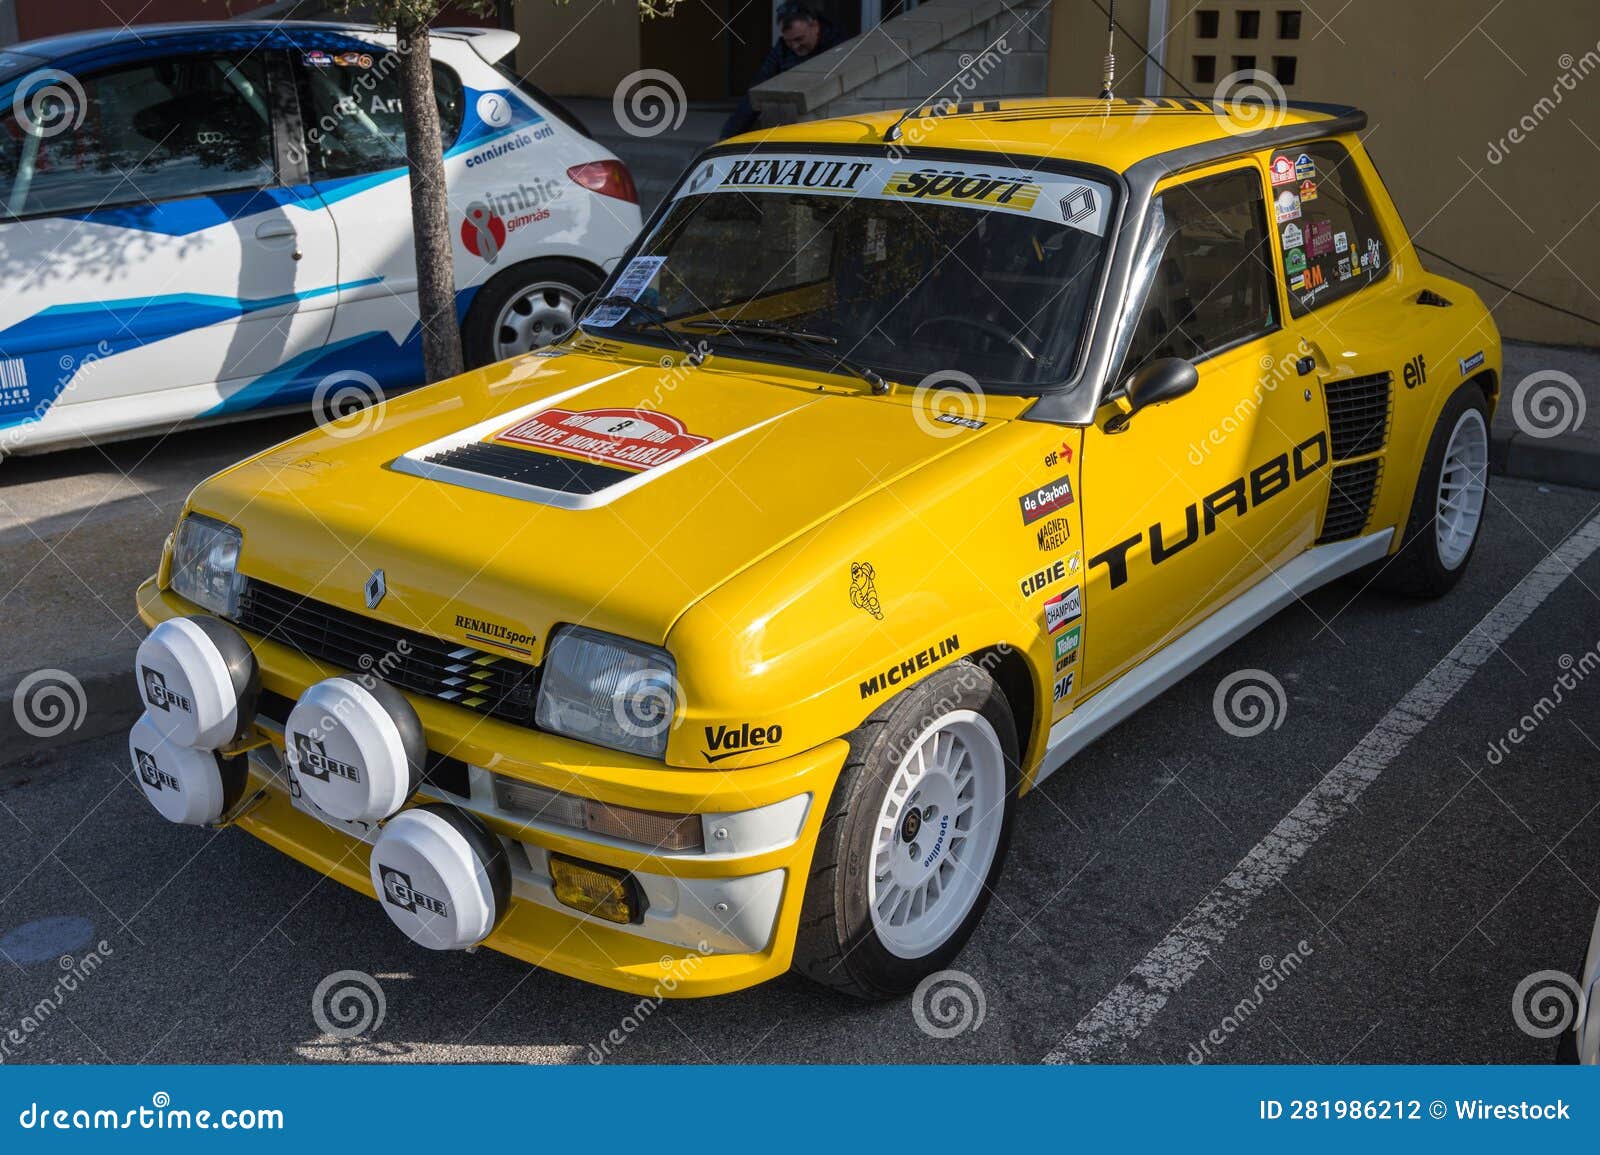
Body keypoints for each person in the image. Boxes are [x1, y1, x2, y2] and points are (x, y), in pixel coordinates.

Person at [721, 3, 843, 138]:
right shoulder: (782, 50)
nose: (795, 46)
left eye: (799, 39)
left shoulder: (838, 46)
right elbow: (756, 90)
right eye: (789, 41)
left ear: (815, 26)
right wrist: (727, 136)